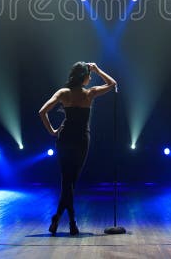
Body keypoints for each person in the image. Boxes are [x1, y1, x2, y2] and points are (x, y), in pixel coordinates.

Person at [38, 61, 117, 235]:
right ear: (85, 76)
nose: (90, 77)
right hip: (81, 140)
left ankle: (58, 217)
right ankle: (71, 221)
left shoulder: (64, 93)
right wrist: (98, 69)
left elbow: (42, 112)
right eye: (89, 74)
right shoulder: (90, 93)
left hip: (65, 138)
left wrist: (52, 131)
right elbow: (112, 84)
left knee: (68, 182)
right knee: (70, 182)